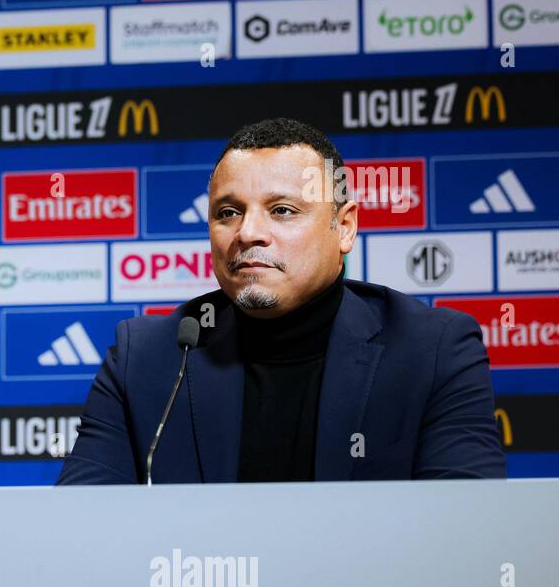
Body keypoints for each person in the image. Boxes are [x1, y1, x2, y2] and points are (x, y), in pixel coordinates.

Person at [57, 118, 505, 485]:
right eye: (228, 212)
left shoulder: (433, 350)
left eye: (282, 210)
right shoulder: (148, 355)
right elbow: (84, 531)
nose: (248, 233)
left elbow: (463, 535)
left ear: (344, 227)